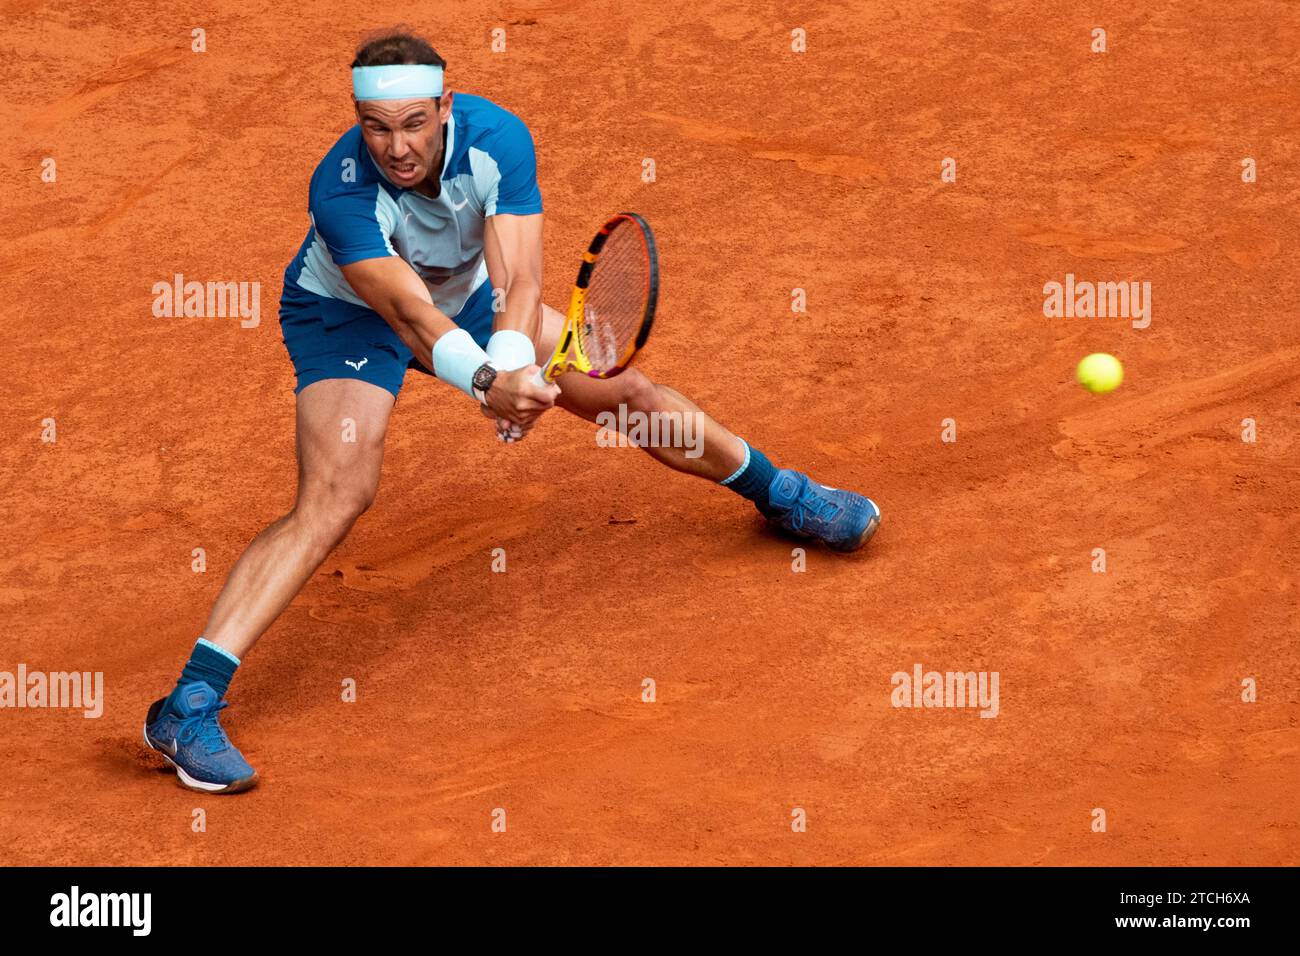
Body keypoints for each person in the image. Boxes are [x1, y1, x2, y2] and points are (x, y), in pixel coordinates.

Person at [143, 27, 881, 794]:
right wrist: (488, 383)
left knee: (626, 395)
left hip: (466, 297)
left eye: (415, 124)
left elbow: (520, 281)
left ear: (446, 106)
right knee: (338, 494)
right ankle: (188, 705)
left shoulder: (500, 139)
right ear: (359, 122)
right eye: (378, 127)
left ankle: (779, 495)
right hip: (349, 315)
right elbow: (411, 320)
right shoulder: (340, 192)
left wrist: (518, 367)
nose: (398, 147)